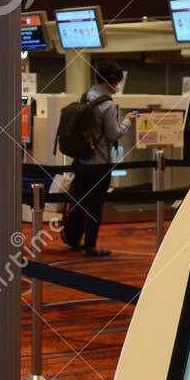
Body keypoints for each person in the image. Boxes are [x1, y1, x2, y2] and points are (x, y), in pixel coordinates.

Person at [62, 65, 135, 257]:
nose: (117, 86)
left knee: (78, 200)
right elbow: (113, 134)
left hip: (80, 160)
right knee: (95, 204)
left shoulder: (84, 97)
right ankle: (91, 245)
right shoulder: (108, 105)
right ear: (112, 82)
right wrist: (127, 121)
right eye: (117, 82)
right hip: (99, 163)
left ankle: (74, 239)